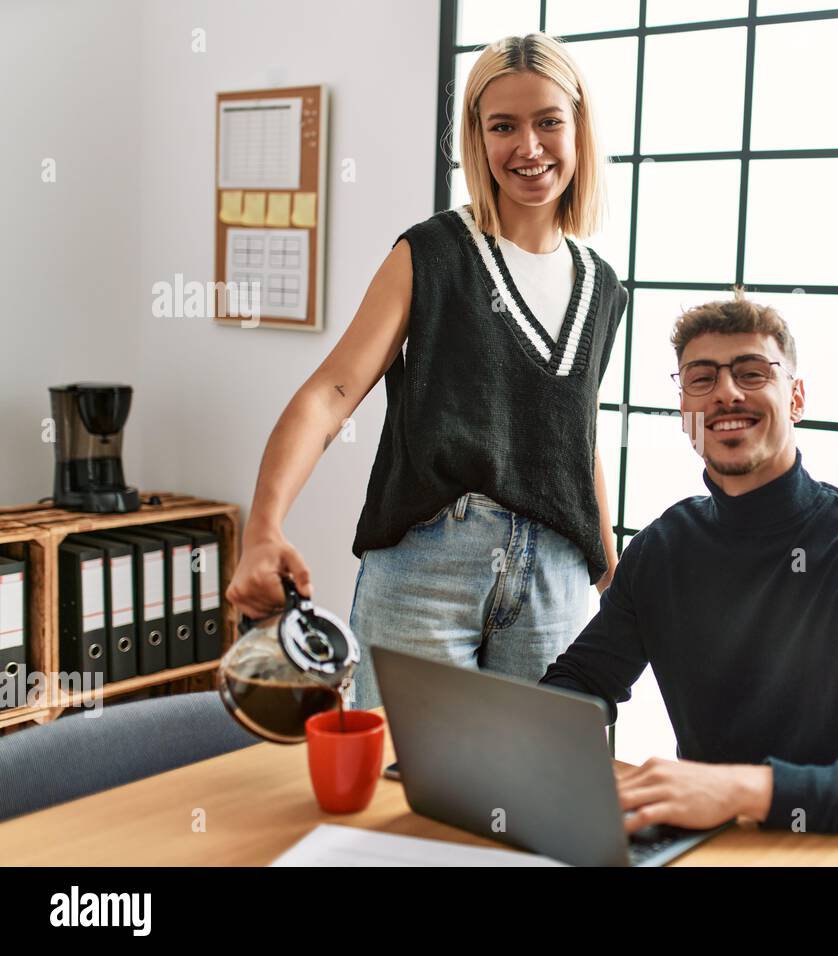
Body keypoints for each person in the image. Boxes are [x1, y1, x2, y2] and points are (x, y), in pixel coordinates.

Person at [226, 33, 628, 711]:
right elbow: (328, 396)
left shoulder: (603, 287)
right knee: (397, 791)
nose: (528, 147)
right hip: (427, 571)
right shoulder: (430, 254)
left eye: (548, 122)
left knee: (536, 799)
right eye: (503, 126)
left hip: (558, 579)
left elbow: (574, 436)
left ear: (579, 127)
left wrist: (612, 569)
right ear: (478, 136)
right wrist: (262, 527)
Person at [541, 289, 838, 845]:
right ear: (684, 413)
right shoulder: (663, 551)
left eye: (751, 373)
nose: (725, 392)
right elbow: (581, 679)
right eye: (701, 379)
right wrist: (526, 739)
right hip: (705, 846)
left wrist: (740, 790)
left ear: (795, 398)